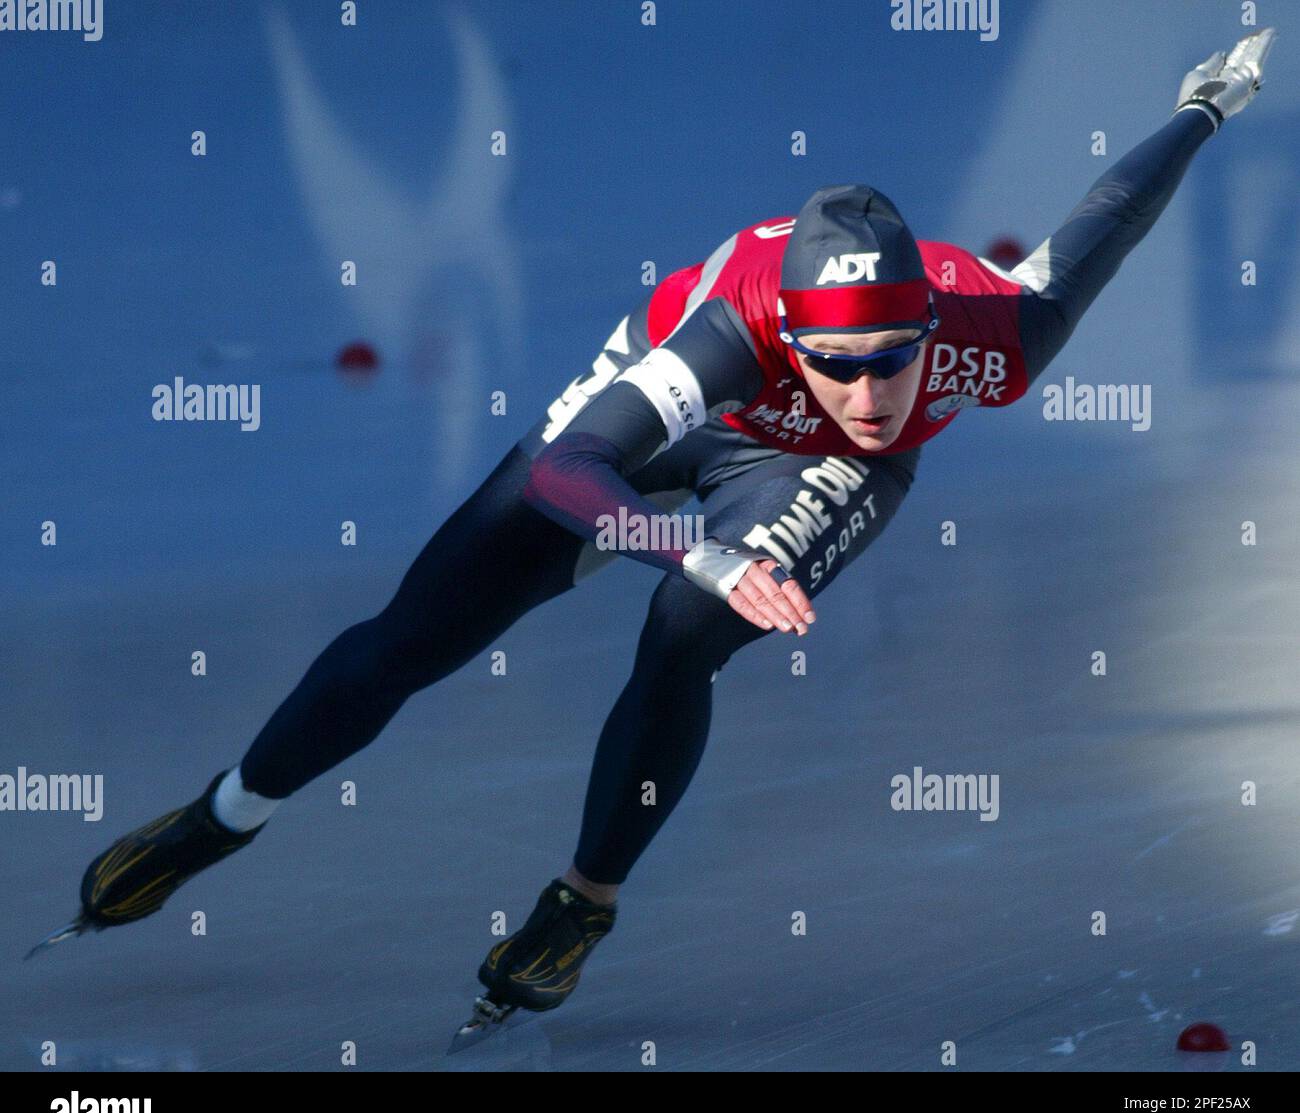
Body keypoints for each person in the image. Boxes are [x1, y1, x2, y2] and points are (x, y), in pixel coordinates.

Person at [51, 32, 1275, 1021]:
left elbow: (1104, 219)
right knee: (415, 637)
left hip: (805, 478)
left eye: (894, 357)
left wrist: (1203, 109)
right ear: (792, 336)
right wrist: (685, 538)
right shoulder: (729, 333)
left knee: (689, 632)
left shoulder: (991, 339)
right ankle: (223, 817)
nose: (868, 391)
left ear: (928, 332)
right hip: (678, 421)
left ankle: (582, 902)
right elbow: (575, 469)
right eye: (840, 362)